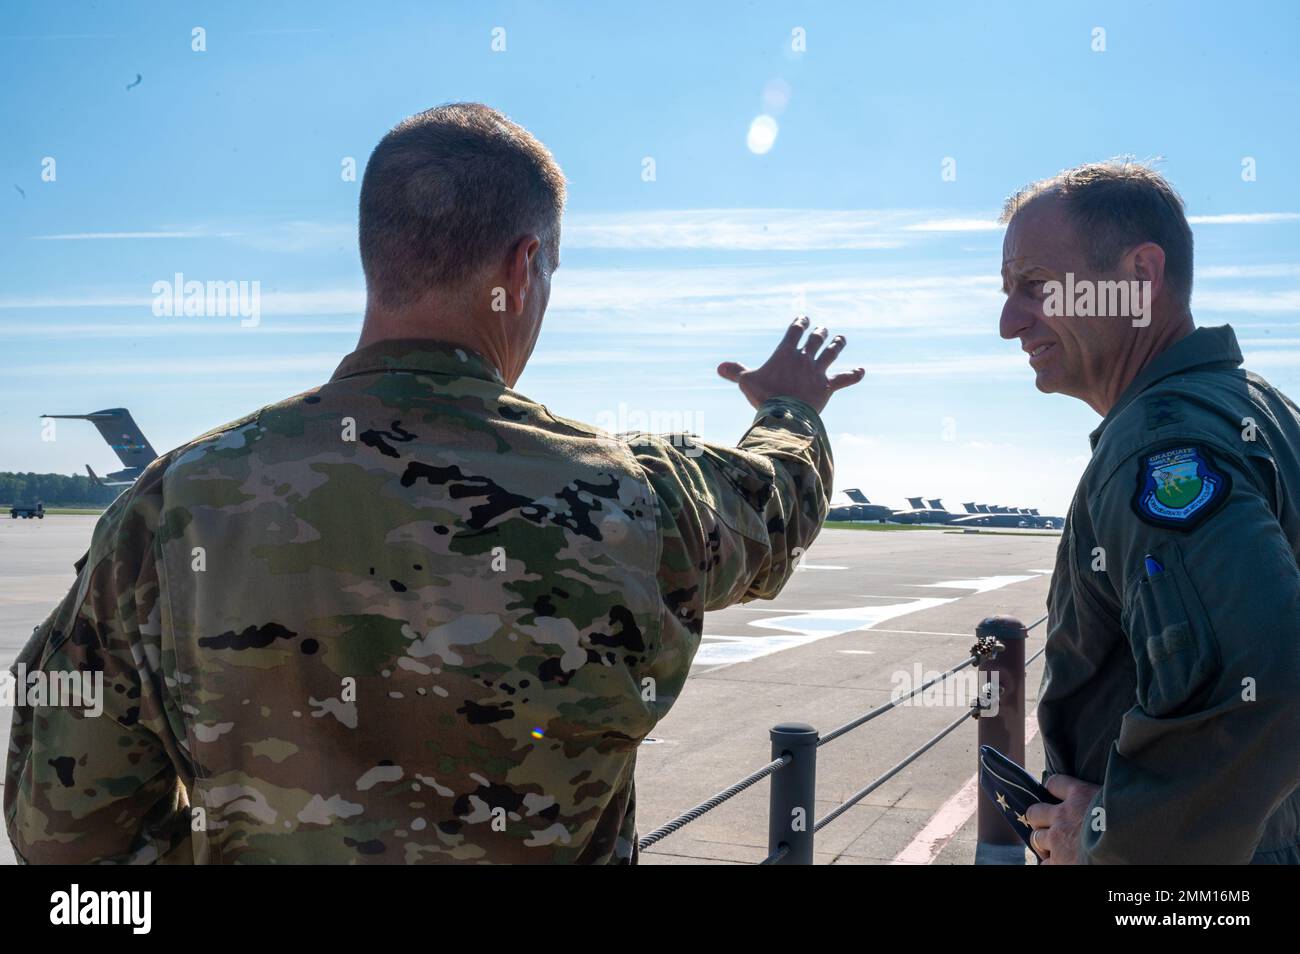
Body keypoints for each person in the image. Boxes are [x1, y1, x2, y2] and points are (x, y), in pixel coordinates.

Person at [4, 103, 863, 864]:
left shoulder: (173, 505)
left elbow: (65, 827)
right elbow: (775, 500)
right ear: (524, 267)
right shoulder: (637, 494)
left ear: (377, 256)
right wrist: (790, 406)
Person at [999, 160, 1300, 864]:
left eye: (1035, 286)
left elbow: (1268, 681)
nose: (1009, 321)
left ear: (1139, 277)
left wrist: (1109, 835)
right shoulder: (1256, 410)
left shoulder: (1164, 442)